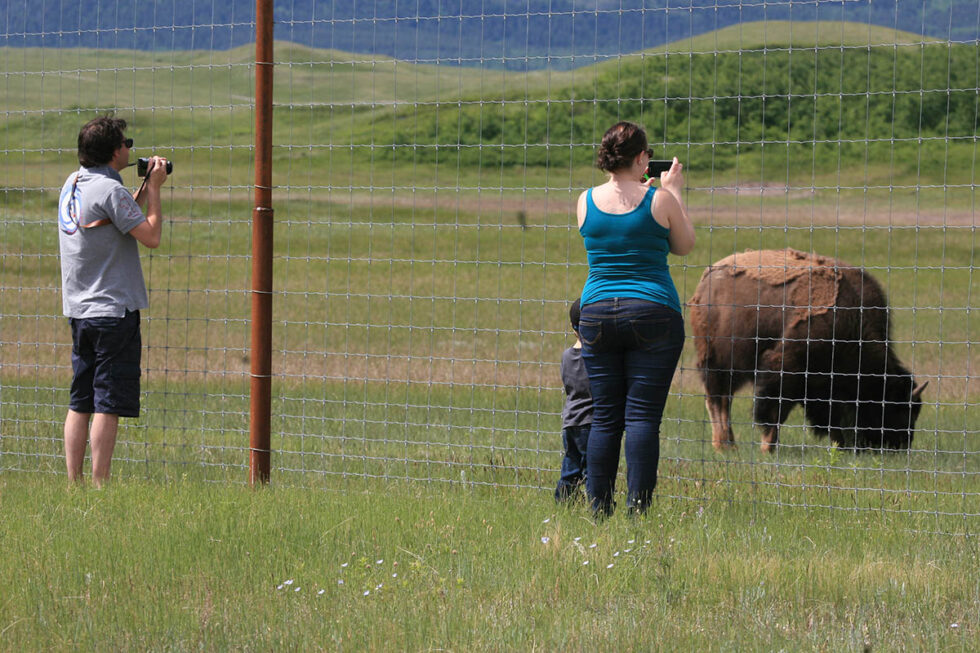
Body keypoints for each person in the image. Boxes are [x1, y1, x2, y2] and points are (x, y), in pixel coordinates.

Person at [576, 121, 695, 516]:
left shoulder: (585, 200)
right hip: (652, 311)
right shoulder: (659, 200)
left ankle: (598, 509)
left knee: (605, 417)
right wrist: (674, 191)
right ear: (642, 158)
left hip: (596, 312)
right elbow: (684, 246)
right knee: (642, 417)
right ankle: (638, 510)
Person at [57, 115, 169, 487]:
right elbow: (150, 236)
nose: (129, 148)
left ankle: (74, 485)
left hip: (80, 310)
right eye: (126, 143)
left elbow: (117, 219)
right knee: (107, 400)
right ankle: (100, 485)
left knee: (80, 399)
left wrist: (139, 188)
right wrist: (155, 190)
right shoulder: (111, 191)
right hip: (113, 312)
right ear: (114, 151)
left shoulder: (72, 184)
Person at [555, 298, 593, 503]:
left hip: (570, 421)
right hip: (589, 422)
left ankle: (563, 502)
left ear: (572, 327)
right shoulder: (595, 358)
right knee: (591, 470)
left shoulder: (566, 356)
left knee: (570, 467)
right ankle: (595, 503)